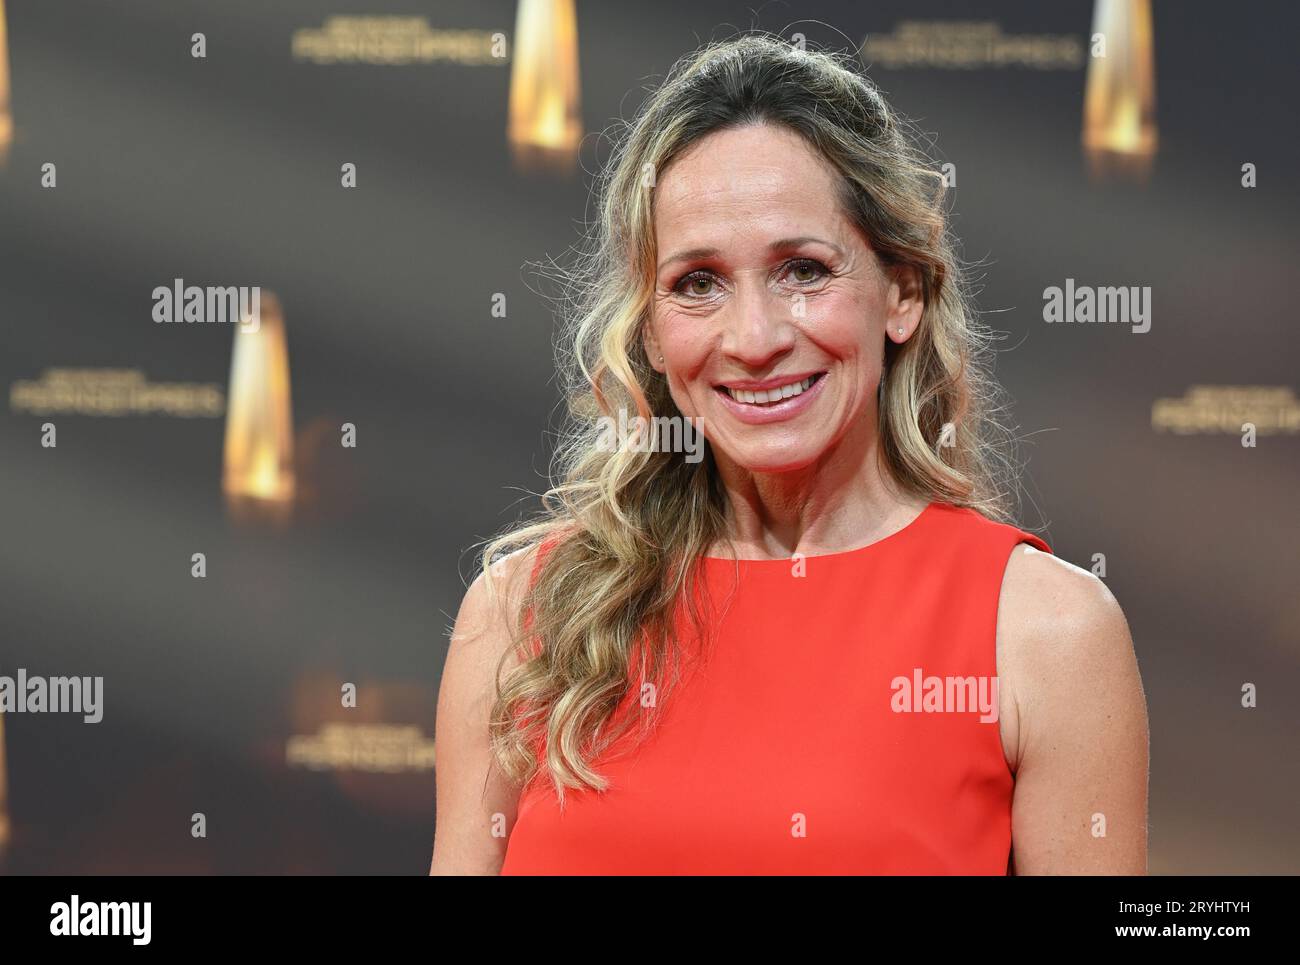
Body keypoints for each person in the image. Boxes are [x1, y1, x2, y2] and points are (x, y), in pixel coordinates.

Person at [430, 34, 1148, 875]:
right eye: (698, 282)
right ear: (651, 332)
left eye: (803, 270)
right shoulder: (524, 616)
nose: (756, 338)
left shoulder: (1043, 631)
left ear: (903, 291)